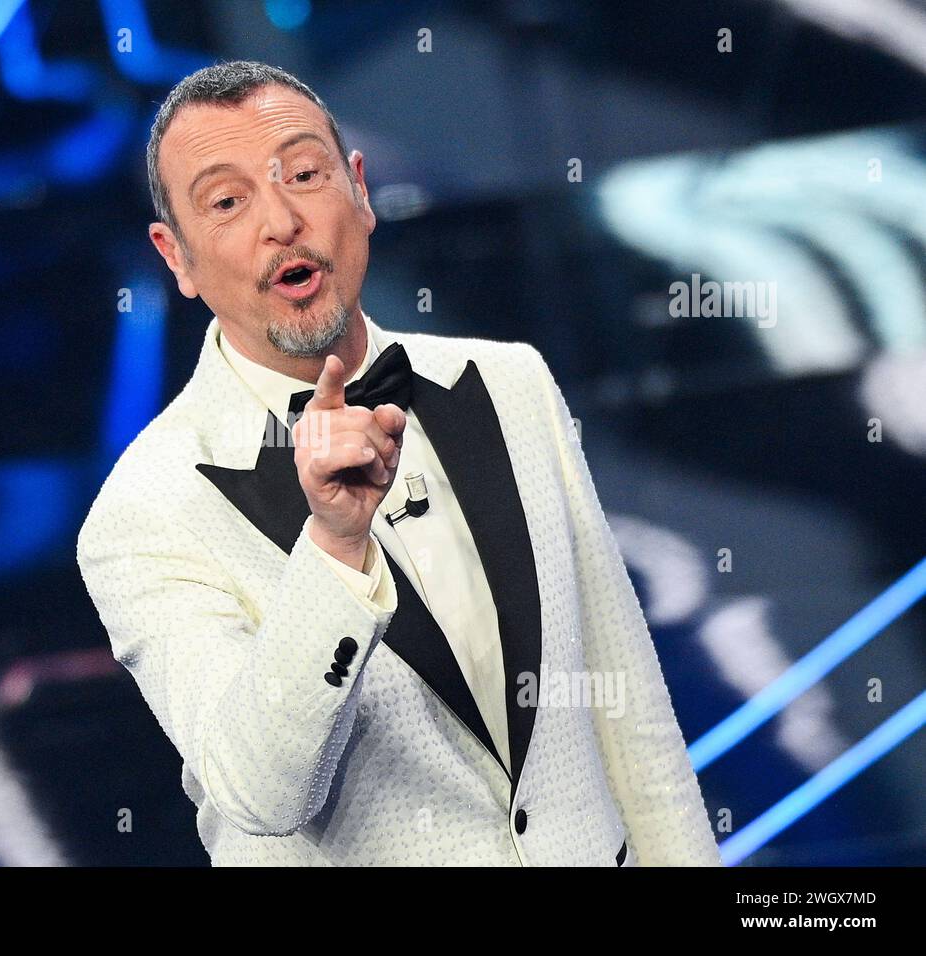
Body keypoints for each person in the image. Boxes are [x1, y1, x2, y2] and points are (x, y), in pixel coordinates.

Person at [76, 60, 722, 866]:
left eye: (303, 174)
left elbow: (632, 716)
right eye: (229, 200)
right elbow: (258, 792)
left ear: (358, 190)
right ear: (177, 259)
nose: (280, 219)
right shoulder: (145, 511)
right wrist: (337, 551)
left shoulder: (510, 383)